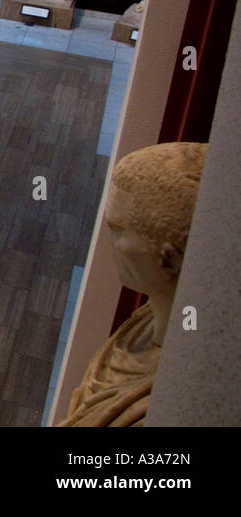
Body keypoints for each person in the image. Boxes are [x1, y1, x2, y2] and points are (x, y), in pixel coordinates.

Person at [61, 142, 207, 427]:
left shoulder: (165, 409)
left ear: (170, 257)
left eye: (118, 228)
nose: (109, 239)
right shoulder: (145, 323)